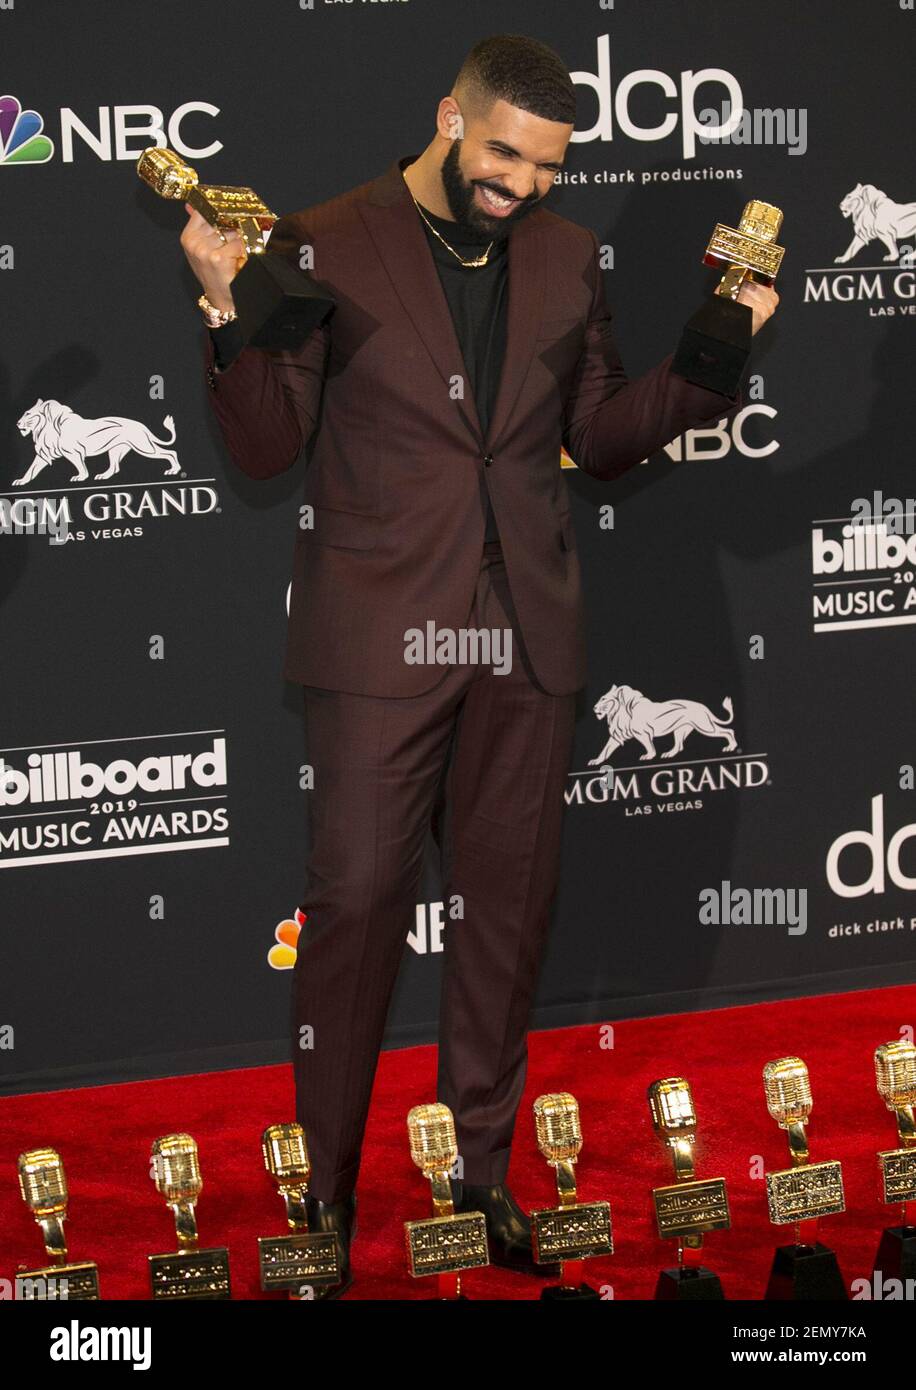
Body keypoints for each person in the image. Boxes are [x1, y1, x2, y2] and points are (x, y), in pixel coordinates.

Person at [180, 32, 778, 1298]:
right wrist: (227, 307)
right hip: (376, 637)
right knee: (351, 913)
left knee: (503, 924)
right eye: (502, 153)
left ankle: (482, 1177)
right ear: (446, 119)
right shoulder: (320, 238)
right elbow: (267, 446)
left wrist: (715, 354)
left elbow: (603, 438)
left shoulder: (565, 257)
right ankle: (327, 1202)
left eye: (548, 166)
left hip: (528, 636)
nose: (521, 185)